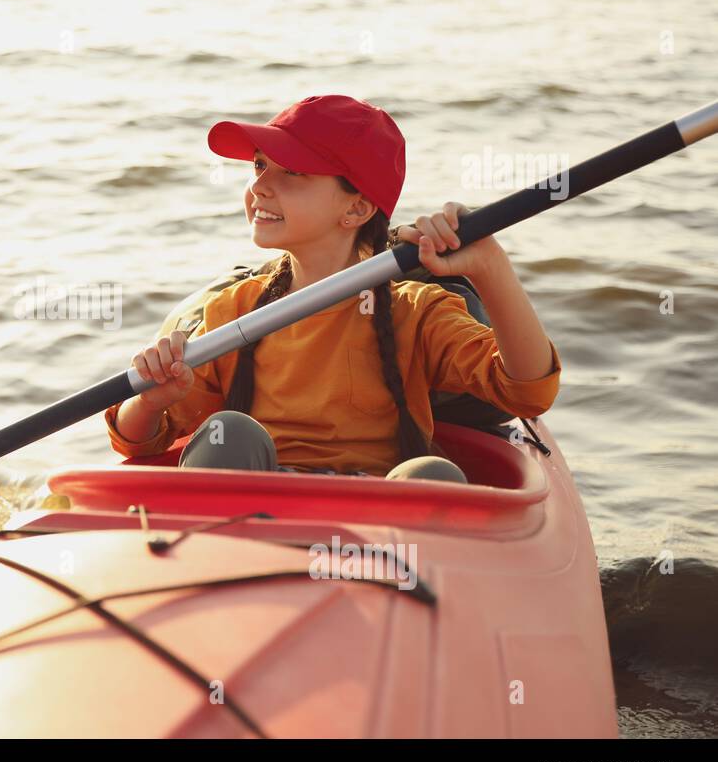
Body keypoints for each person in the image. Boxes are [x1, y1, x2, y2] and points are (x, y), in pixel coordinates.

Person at [104, 95, 562, 482]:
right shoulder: (232, 312)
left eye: (292, 174)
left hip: (380, 527)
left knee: (431, 474)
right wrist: (148, 400)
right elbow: (138, 442)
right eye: (260, 166)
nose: (260, 186)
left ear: (357, 208)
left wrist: (489, 265)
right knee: (230, 433)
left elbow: (527, 393)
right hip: (252, 517)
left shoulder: (417, 312)